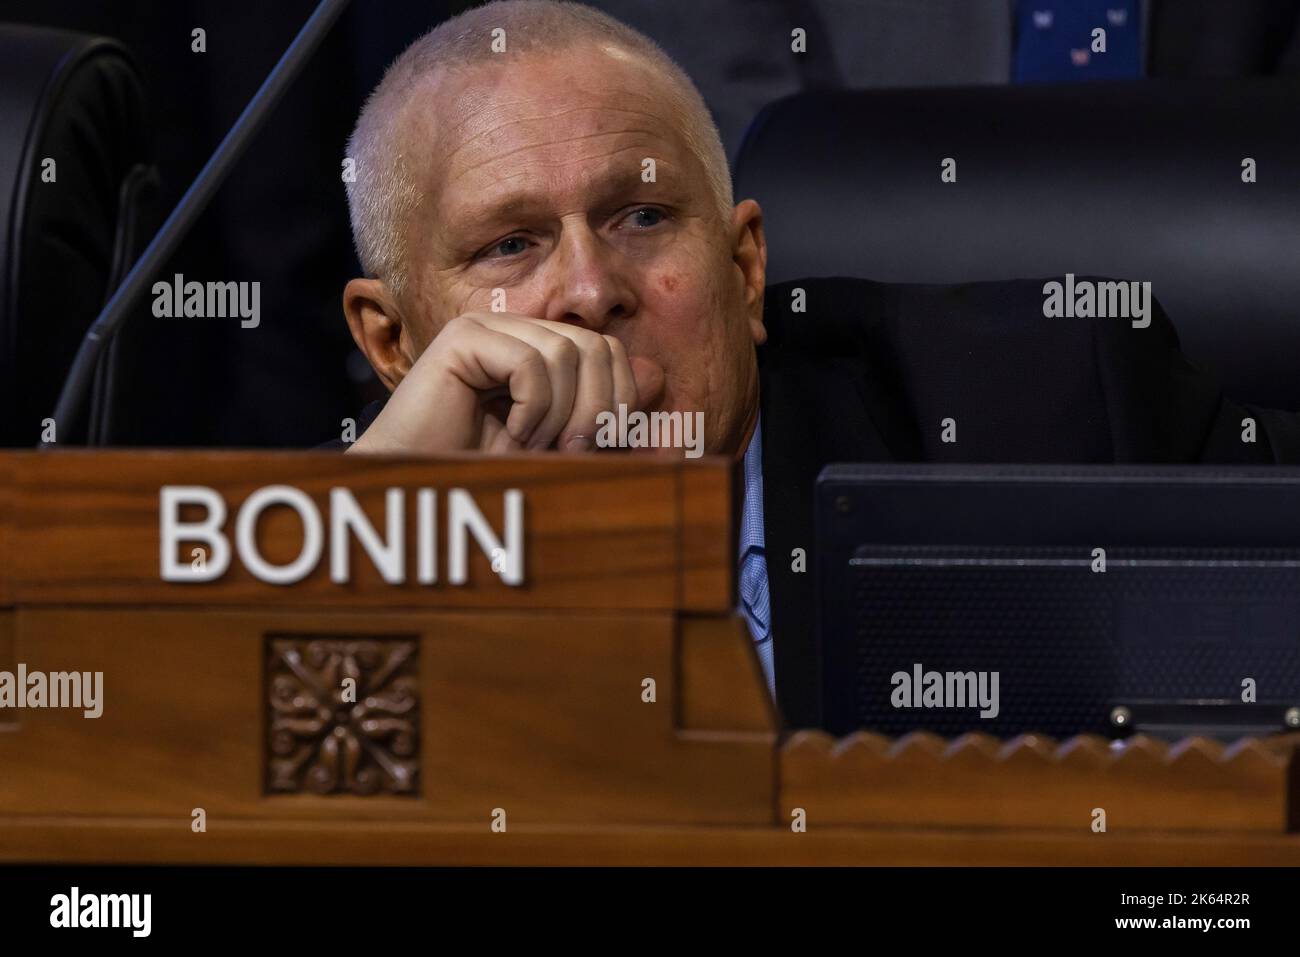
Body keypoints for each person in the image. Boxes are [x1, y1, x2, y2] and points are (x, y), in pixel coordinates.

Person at [334, 0, 1300, 728]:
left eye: (645, 216)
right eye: (511, 244)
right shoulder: (350, 560)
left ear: (746, 272)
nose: (591, 289)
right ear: (393, 342)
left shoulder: (1052, 403)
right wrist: (368, 527)